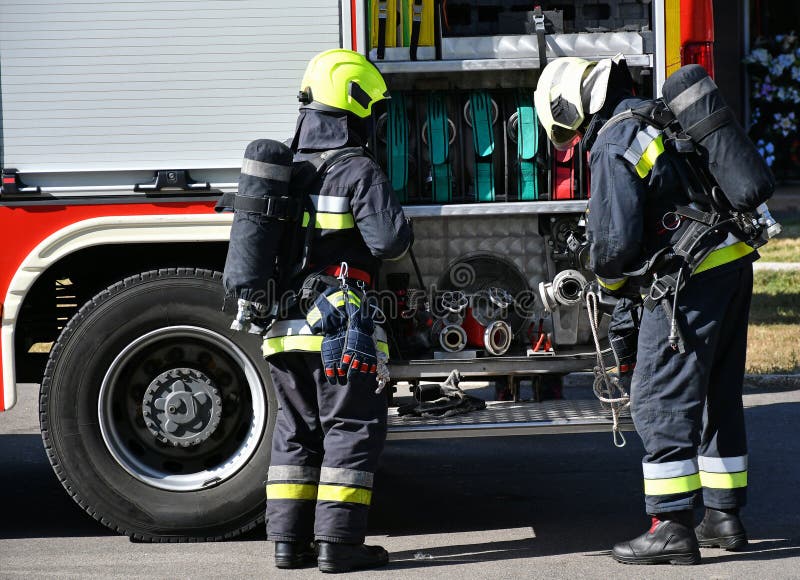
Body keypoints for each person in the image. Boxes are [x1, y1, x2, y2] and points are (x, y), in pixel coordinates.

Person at [535, 56, 757, 565]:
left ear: (570, 106)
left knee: (662, 396)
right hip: (730, 264)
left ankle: (670, 524)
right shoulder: (661, 115)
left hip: (686, 281)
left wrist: (610, 287)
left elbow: (613, 246)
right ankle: (723, 516)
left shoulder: (614, 140)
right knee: (715, 395)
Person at [262, 49, 411, 572]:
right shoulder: (356, 168)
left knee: (296, 432)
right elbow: (390, 242)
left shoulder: (284, 169)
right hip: (338, 330)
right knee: (349, 427)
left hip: (281, 329)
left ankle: (288, 544)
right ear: (354, 104)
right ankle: (339, 547)